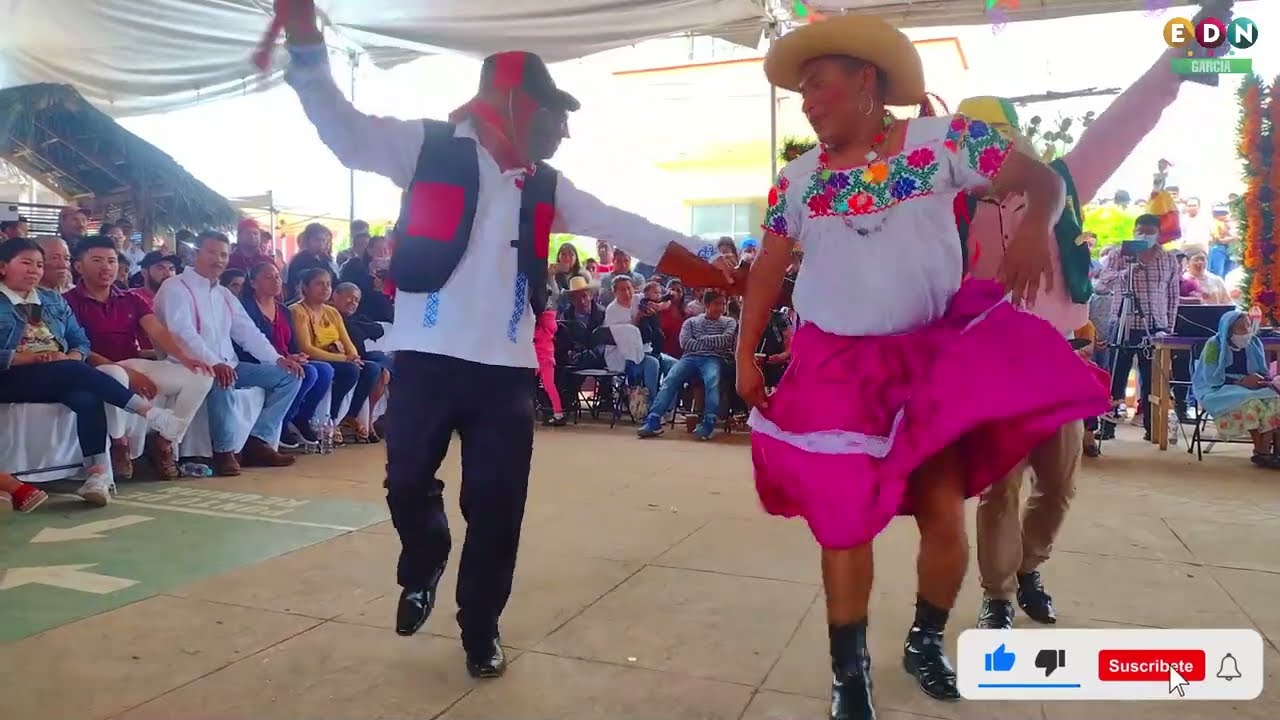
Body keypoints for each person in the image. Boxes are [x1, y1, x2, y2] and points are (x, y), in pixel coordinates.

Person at [278, 0, 737, 680]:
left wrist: (713, 268)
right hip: (428, 362)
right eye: (556, 117)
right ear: (516, 104)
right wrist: (306, 43)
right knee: (406, 483)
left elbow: (630, 225)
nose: (563, 133)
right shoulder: (425, 147)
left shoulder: (545, 186)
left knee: (497, 510)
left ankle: (480, 629)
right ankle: (426, 553)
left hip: (505, 374)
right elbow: (341, 129)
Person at [734, 17, 1109, 718]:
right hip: (834, 369)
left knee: (942, 520)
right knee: (844, 521)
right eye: (803, 92)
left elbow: (1040, 181)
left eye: (820, 86)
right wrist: (745, 349)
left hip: (924, 360)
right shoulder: (798, 180)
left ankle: (923, 639)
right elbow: (767, 267)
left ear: (866, 83)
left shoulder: (944, 143)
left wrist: (1033, 224)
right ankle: (851, 678)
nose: (809, 102)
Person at [956, 30, 1199, 631]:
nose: (986, 155)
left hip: (1057, 362)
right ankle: (996, 595)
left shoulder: (1064, 183)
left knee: (1060, 486)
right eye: (971, 145)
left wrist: (1180, 57)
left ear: (1016, 142)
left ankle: (1030, 565)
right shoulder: (951, 211)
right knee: (999, 489)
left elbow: (1124, 122)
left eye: (995, 142)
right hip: (992, 370)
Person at [0, 237, 187, 506]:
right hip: (9, 375)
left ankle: (97, 476)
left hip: (58, 370)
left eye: (39, 265)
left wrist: (72, 356)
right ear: (3, 267)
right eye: (26, 263)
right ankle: (150, 413)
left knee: (87, 398)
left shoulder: (52, 300)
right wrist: (28, 359)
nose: (34, 270)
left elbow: (80, 340)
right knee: (73, 372)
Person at [154, 231, 304, 476]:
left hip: (228, 364)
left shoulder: (223, 294)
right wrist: (214, 363)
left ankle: (258, 440)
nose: (219, 259)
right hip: (188, 366)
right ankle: (225, 452)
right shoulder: (175, 287)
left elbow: (248, 332)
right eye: (211, 252)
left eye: (223, 254)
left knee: (291, 376)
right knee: (221, 377)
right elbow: (182, 334)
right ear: (196, 254)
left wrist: (277, 359)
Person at [64, 236, 214, 480]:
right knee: (114, 375)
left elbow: (157, 331)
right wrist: (127, 373)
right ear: (79, 266)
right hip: (95, 370)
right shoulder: (67, 302)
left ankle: (165, 441)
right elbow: (78, 348)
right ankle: (119, 445)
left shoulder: (130, 299)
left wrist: (186, 359)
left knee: (202, 374)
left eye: (112, 261)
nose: (106, 267)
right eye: (97, 260)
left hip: (133, 363)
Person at [1094, 214, 1181, 437]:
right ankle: (1107, 426)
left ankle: (1152, 427)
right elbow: (1103, 283)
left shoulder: (1168, 258)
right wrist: (1129, 271)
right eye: (1139, 231)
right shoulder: (1118, 254)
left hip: (1154, 325)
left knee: (1152, 377)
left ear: (1158, 235)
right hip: (1123, 322)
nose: (1143, 236)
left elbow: (1173, 294)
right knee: (1116, 375)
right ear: (1133, 231)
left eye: (1149, 232)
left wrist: (1168, 327)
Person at [239, 261, 330, 447]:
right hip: (256, 360)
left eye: (278, 276)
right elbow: (244, 345)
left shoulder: (283, 310)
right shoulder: (245, 307)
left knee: (324, 370)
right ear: (253, 283)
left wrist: (296, 356)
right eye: (269, 277)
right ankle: (283, 423)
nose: (276, 281)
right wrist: (281, 358)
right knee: (308, 372)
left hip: (283, 358)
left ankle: (300, 418)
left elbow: (293, 345)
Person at [290, 268, 381, 442]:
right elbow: (306, 348)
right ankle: (330, 417)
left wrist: (353, 356)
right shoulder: (298, 311)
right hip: (312, 358)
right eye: (319, 284)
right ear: (305, 287)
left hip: (338, 358)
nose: (325, 288)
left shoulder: (331, 312)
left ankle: (349, 415)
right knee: (350, 370)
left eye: (328, 284)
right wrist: (344, 359)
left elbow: (347, 342)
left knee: (371, 368)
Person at [638, 290, 737, 440]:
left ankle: (708, 423)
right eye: (717, 304)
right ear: (706, 304)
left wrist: (700, 339)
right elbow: (685, 343)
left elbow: (726, 340)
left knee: (712, 381)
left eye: (723, 304)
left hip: (713, 358)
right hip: (689, 358)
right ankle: (653, 420)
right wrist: (711, 342)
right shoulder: (691, 322)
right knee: (670, 380)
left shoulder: (729, 322)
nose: (721, 308)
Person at [1192, 309, 1280, 468]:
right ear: (1228, 329)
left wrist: (1261, 379)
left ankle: (1268, 451)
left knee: (1275, 399)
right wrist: (1240, 383)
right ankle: (1261, 450)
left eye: (1248, 326)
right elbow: (1210, 376)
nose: (1247, 331)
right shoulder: (1213, 345)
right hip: (1219, 387)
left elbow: (1262, 370)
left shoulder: (1253, 342)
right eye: (1241, 327)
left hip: (1249, 385)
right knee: (1253, 403)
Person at [338, 233, 395, 322]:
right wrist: (372, 281)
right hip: (363, 317)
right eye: (380, 249)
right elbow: (351, 289)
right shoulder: (354, 266)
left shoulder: (392, 270)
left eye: (387, 249)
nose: (384, 252)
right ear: (369, 250)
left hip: (387, 317)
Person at [285, 223, 338, 301]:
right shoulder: (299, 259)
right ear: (308, 240)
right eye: (317, 240)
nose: (321, 244)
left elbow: (334, 282)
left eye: (323, 241)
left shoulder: (325, 260)